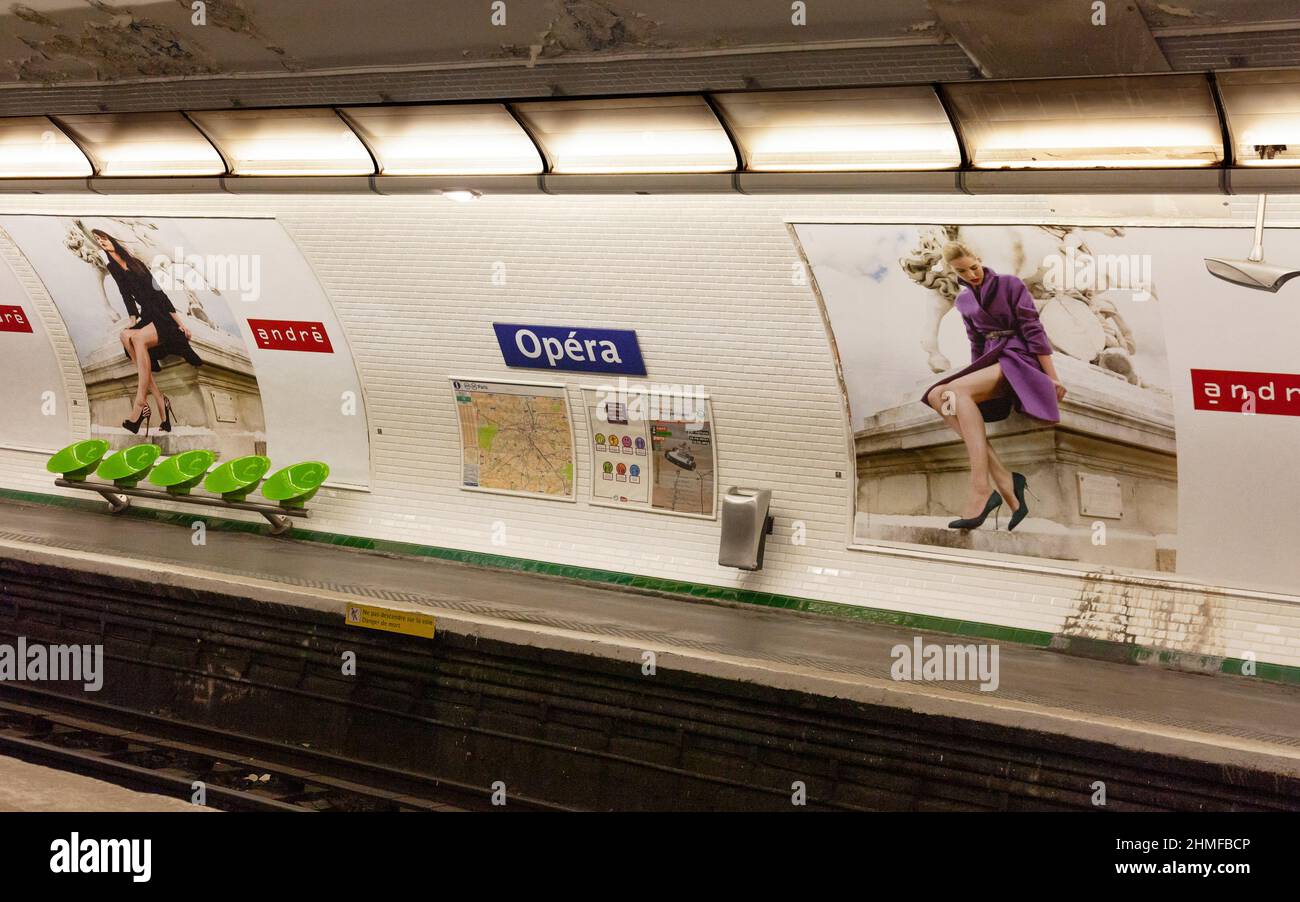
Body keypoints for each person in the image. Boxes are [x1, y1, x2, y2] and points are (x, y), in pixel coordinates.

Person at [922, 242, 1066, 532]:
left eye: (974, 267)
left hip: (1020, 358)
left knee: (955, 391)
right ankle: (1005, 480)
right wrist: (975, 377)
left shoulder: (1009, 284)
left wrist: (1052, 377)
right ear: (953, 271)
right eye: (963, 271)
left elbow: (1034, 329)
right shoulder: (963, 301)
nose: (972, 274)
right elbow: (976, 344)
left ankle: (980, 488)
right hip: (992, 360)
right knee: (938, 395)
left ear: (980, 258)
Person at [92, 229, 202, 436]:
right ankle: (161, 401)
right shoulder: (112, 267)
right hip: (147, 315)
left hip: (162, 315)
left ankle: (140, 405)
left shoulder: (136, 262)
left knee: (139, 339)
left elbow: (158, 292)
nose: (101, 242)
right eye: (97, 240)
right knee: (125, 335)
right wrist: (132, 321)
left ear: (111, 239)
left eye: (103, 238)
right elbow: (126, 295)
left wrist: (180, 322)